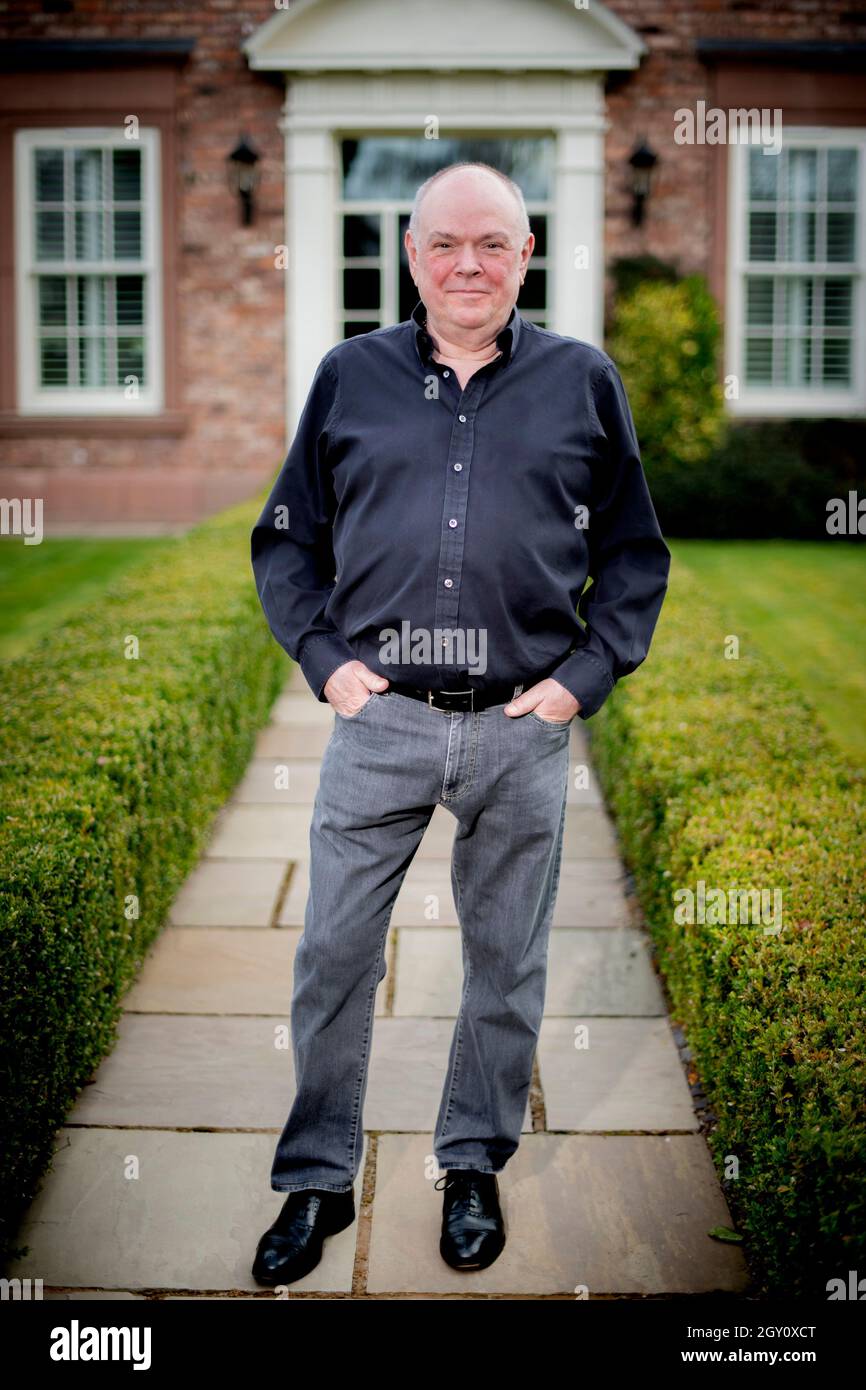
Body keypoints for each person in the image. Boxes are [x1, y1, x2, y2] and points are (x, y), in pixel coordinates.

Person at [249, 161, 670, 1285]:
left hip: (519, 726)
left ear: (525, 256)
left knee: (505, 963)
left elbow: (632, 553)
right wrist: (328, 663)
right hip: (379, 722)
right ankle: (317, 1178)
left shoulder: (583, 382)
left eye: (491, 242)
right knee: (333, 949)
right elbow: (287, 538)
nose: (467, 263)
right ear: (411, 257)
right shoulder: (350, 376)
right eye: (444, 244)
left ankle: (471, 1162)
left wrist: (583, 677)